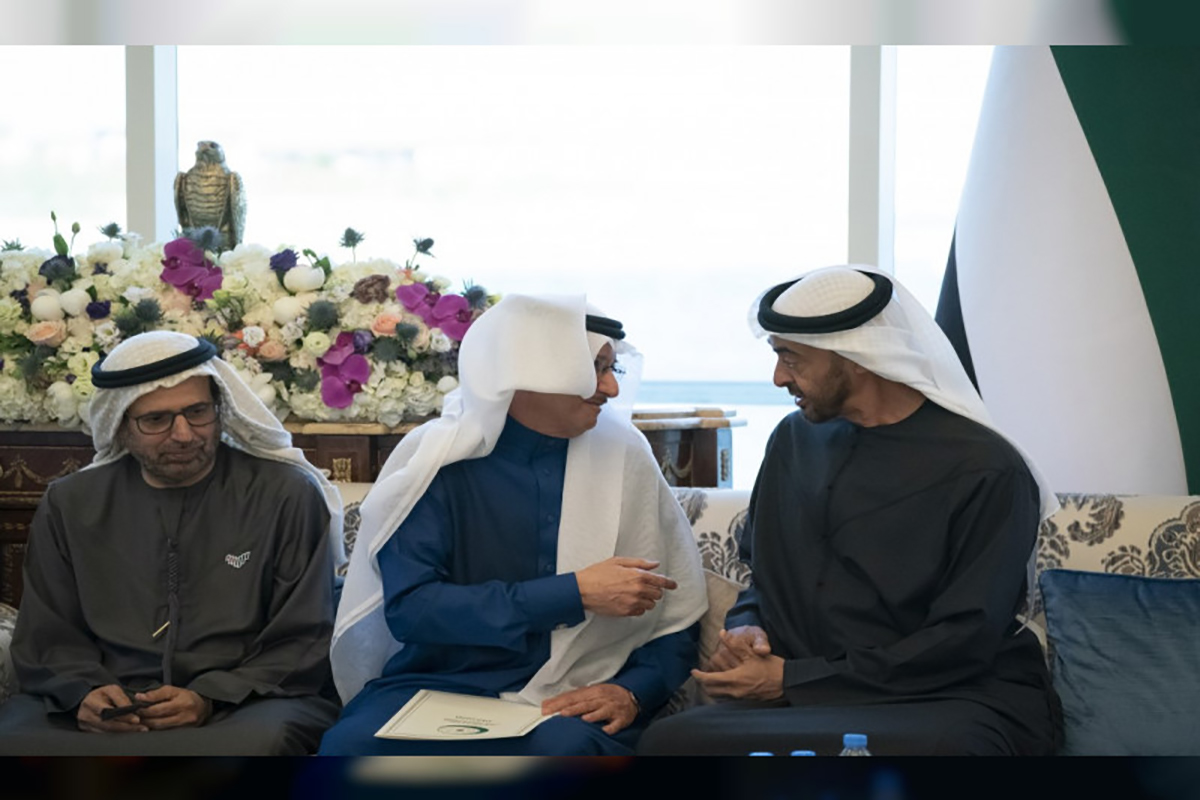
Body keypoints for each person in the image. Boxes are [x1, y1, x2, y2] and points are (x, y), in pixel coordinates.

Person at [638, 265, 1062, 756]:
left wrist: (792, 680)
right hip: (804, 699)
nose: (778, 378)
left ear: (857, 358)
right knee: (672, 744)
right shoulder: (792, 442)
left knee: (950, 753)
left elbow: (964, 639)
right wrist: (748, 627)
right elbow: (766, 580)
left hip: (948, 700)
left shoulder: (987, 468)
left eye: (791, 359)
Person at [319, 294, 707, 756]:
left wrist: (632, 692)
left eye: (612, 369)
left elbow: (675, 615)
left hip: (574, 695)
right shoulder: (441, 460)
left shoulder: (625, 455)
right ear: (537, 370)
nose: (611, 389)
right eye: (594, 370)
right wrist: (573, 592)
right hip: (437, 685)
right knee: (352, 749)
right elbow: (413, 609)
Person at [0, 331, 346, 755]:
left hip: (246, 702)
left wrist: (211, 695)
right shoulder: (72, 504)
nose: (183, 434)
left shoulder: (284, 495)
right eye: (156, 420)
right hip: (108, 705)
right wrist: (83, 692)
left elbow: (305, 636)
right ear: (121, 425)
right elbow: (46, 634)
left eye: (198, 412)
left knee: (264, 743)